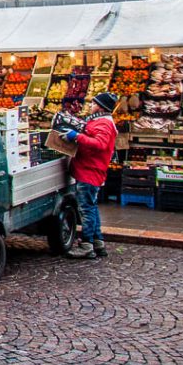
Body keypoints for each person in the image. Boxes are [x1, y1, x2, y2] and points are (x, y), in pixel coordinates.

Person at [63, 91, 118, 259]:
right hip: (90, 170)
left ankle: (87, 245)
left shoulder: (104, 124)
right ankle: (98, 242)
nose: (90, 105)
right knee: (91, 207)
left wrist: (77, 136)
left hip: (90, 171)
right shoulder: (101, 121)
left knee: (86, 209)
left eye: (93, 103)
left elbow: (100, 144)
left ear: (101, 107)